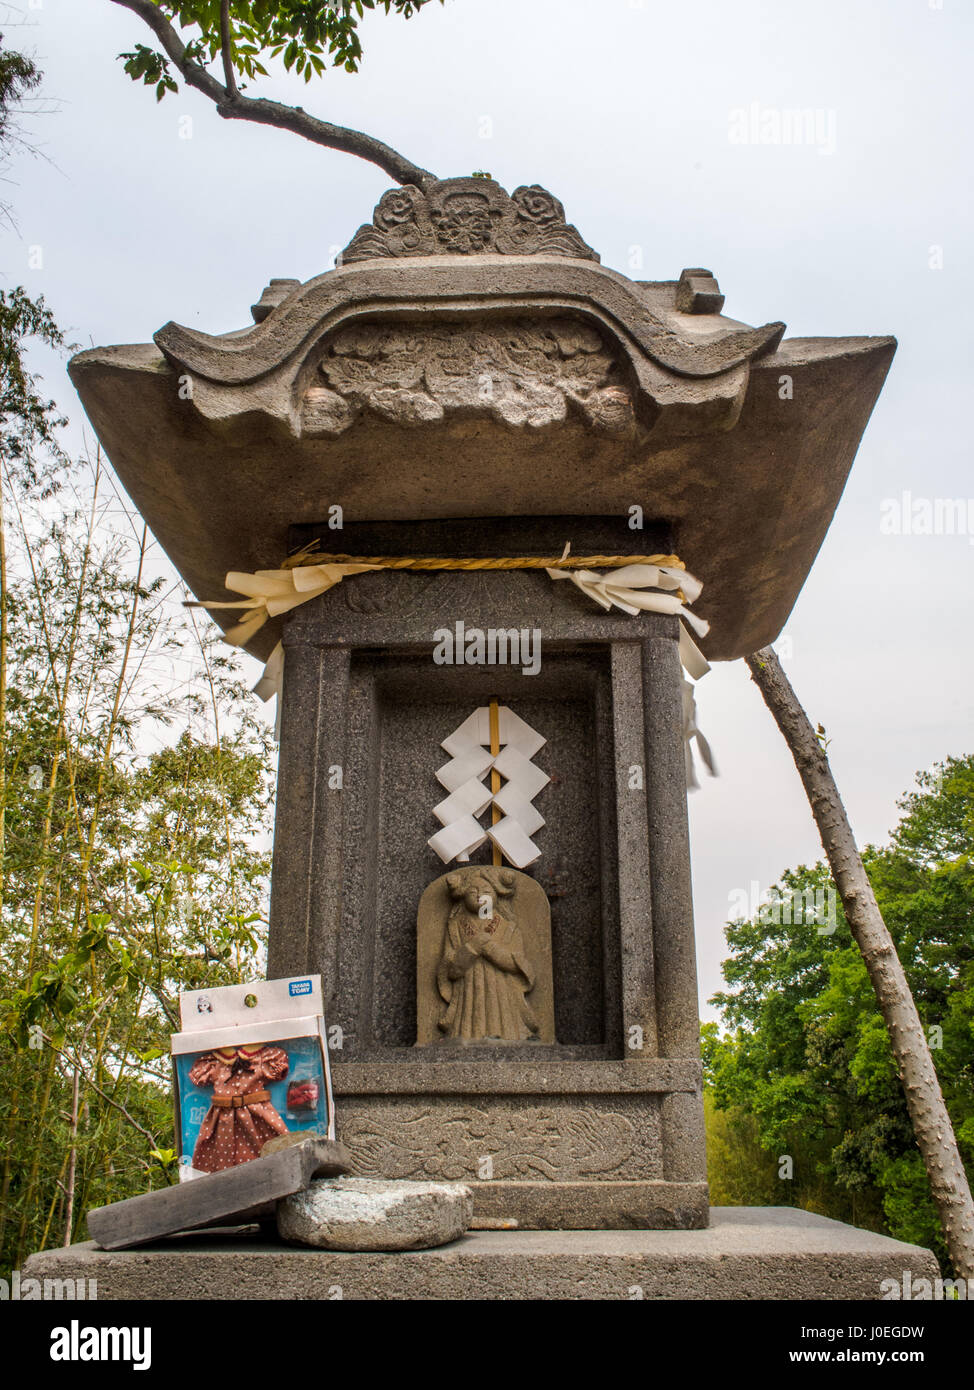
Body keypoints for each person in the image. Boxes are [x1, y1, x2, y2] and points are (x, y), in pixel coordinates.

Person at [437, 866, 540, 1041]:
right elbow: (450, 969)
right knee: (468, 1026)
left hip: (501, 990)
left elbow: (519, 965)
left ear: (496, 897)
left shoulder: (508, 927)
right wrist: (471, 949)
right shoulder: (455, 927)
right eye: (473, 891)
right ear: (463, 897)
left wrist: (491, 949)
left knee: (503, 1021)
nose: (479, 895)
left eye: (486, 891)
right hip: (468, 990)